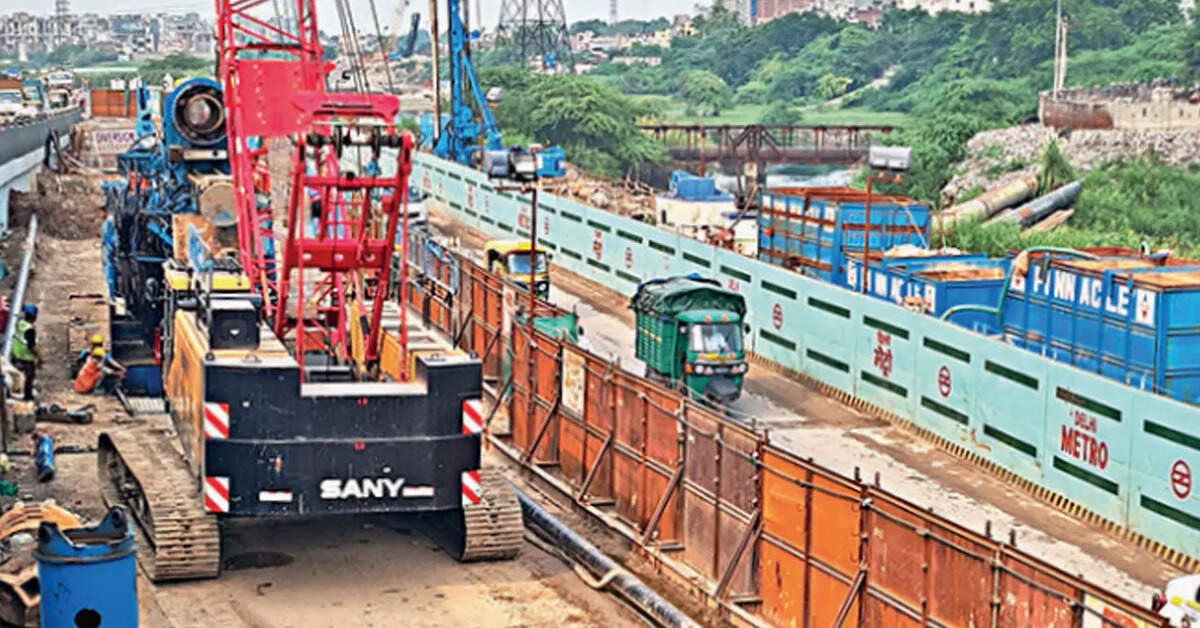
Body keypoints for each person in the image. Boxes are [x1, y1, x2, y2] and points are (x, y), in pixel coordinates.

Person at [11, 304, 39, 401]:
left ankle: (17, 391)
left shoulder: (20, 324)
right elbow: (31, 346)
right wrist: (38, 357)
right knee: (29, 378)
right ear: (34, 317)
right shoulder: (30, 329)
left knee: (17, 375)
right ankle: (28, 397)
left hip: (16, 354)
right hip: (26, 357)